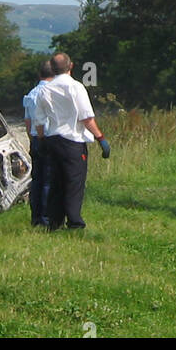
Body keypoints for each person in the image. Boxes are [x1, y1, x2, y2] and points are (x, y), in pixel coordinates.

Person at [33, 52, 111, 230]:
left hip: (52, 138)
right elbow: (86, 118)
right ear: (71, 66)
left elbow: (39, 120)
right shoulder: (76, 87)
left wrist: (42, 139)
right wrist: (101, 138)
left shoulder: (44, 90)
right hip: (72, 140)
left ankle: (54, 222)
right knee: (74, 182)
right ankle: (74, 221)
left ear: (52, 69)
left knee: (56, 182)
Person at [21, 59, 55, 227]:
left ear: (39, 74)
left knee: (37, 179)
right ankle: (46, 217)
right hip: (49, 138)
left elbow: (27, 121)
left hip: (35, 138)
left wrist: (31, 138)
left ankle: (35, 218)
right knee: (49, 180)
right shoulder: (52, 92)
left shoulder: (32, 92)